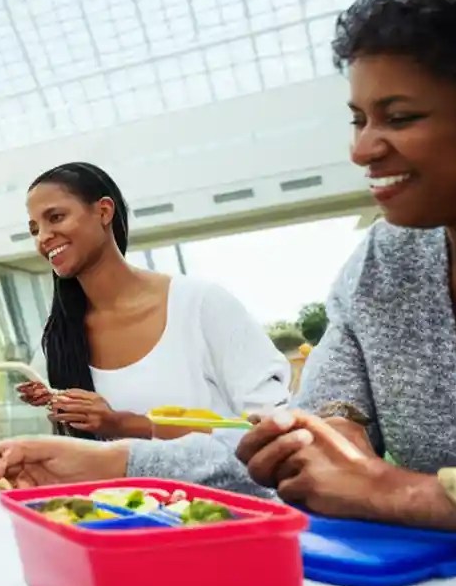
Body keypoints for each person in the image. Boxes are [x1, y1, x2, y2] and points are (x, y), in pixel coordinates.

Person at [0, 0, 456, 540]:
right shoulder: (381, 270)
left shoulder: (202, 303)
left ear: (104, 214)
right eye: (358, 121)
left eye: (399, 117)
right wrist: (110, 461)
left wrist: (408, 494)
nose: (363, 150)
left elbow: (332, 461)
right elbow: (279, 452)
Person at [16, 162, 290, 439]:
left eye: (56, 217)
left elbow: (273, 426)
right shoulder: (57, 342)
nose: (43, 237)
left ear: (103, 211)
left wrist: (125, 424)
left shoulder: (200, 304)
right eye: (34, 229)